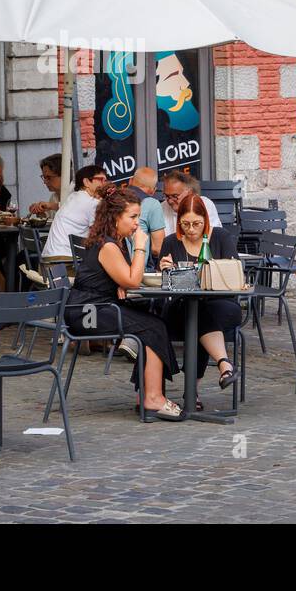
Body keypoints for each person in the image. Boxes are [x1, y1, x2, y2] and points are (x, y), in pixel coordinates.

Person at [64, 185, 182, 421]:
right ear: (114, 217)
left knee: (156, 320)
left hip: (97, 304)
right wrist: (140, 245)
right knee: (152, 327)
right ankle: (152, 398)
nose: (137, 223)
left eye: (138, 216)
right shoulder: (108, 245)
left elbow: (125, 280)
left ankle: (147, 394)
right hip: (87, 312)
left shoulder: (113, 241)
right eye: (133, 217)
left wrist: (120, 282)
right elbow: (133, 278)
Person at [158, 195, 242, 391]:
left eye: (197, 223)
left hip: (221, 303)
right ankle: (224, 365)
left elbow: (234, 273)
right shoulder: (171, 242)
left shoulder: (221, 237)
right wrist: (164, 269)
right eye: (185, 224)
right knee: (196, 314)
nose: (191, 229)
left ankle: (192, 392)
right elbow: (163, 284)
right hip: (181, 306)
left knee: (199, 316)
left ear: (205, 219)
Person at [41, 165, 108, 261]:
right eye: (101, 180)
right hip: (64, 263)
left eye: (105, 180)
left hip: (49, 260)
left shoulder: (73, 197)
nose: (104, 184)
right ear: (86, 182)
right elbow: (101, 234)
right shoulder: (92, 203)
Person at [160, 170, 222, 236]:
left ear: (190, 192)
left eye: (175, 196)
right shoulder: (162, 207)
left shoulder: (205, 204)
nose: (170, 201)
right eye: (167, 196)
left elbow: (212, 236)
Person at [126, 167, 166, 262]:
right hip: (138, 265)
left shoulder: (114, 199)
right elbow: (158, 248)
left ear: (130, 181)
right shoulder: (152, 203)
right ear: (153, 190)